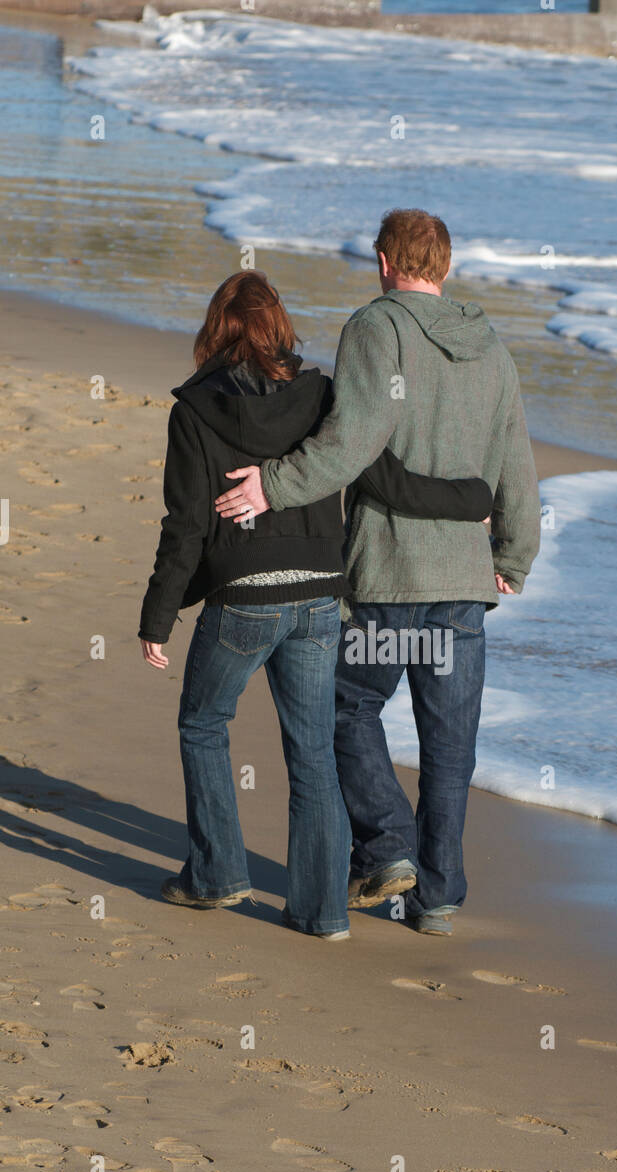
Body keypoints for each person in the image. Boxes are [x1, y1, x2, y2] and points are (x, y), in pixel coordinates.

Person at [214, 211, 541, 937]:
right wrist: (514, 553)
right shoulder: (491, 348)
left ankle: (390, 847)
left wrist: (271, 485)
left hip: (390, 575)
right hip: (462, 584)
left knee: (342, 709)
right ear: (445, 266)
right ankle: (439, 899)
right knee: (449, 748)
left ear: (387, 262)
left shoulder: (375, 327)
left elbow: (352, 441)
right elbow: (514, 454)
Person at [138, 270, 490, 939]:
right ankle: (322, 913)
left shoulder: (193, 409)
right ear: (278, 328)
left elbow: (186, 526)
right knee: (312, 753)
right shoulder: (321, 395)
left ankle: (215, 875)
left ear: (215, 328)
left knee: (203, 724)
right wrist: (473, 500)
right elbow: (385, 478)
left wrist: (160, 615)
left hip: (244, 600)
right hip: (320, 599)